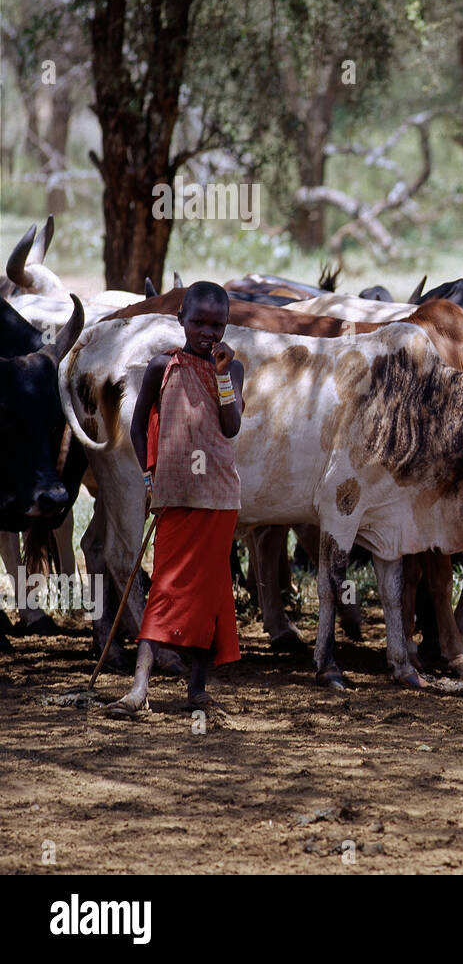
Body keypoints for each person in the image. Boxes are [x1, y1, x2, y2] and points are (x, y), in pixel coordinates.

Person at [106, 282, 245, 720]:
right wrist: (150, 475)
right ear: (180, 318)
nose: (207, 332)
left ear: (225, 326)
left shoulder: (232, 370)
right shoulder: (161, 366)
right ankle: (139, 688)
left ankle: (197, 691)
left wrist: (222, 374)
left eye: (216, 325)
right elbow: (137, 424)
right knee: (164, 585)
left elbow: (231, 426)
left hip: (219, 495)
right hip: (174, 492)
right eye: (199, 322)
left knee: (210, 593)